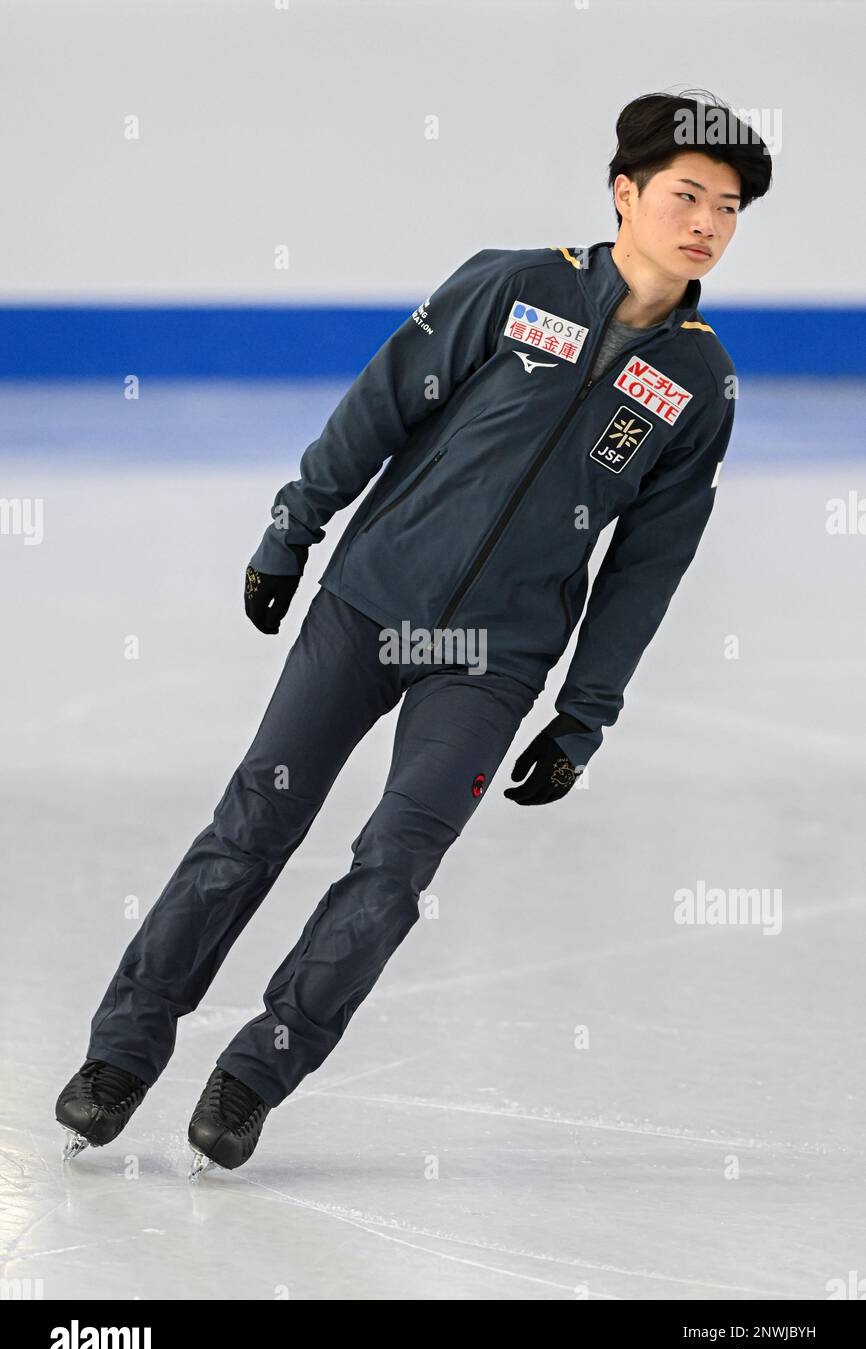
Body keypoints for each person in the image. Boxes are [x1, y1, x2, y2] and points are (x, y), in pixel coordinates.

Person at [55, 90, 772, 1176]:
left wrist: (583, 714)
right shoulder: (511, 283)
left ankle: (251, 1076)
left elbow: (645, 568)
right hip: (367, 604)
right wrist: (292, 529)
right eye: (684, 195)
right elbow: (379, 403)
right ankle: (120, 1052)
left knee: (392, 867)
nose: (704, 222)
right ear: (622, 192)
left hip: (490, 661)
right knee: (252, 824)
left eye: (724, 206)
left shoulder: (694, 381)